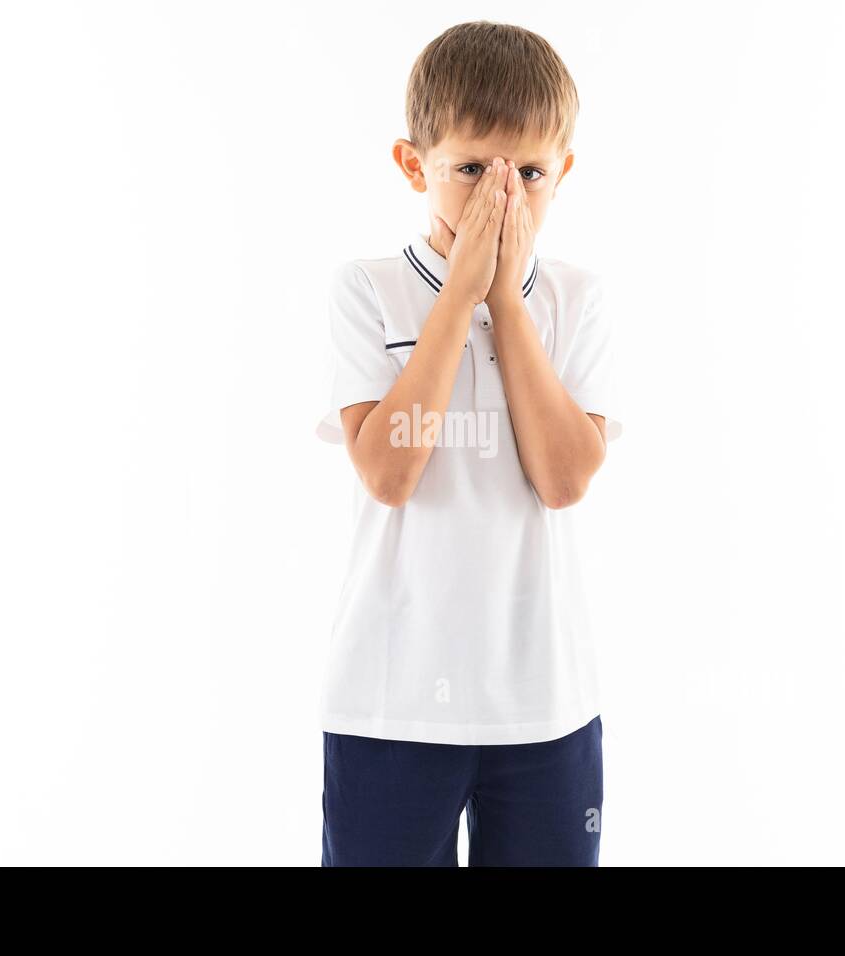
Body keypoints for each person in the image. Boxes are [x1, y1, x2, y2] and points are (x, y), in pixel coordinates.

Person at [314, 20, 624, 866]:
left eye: (528, 173)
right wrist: (457, 298)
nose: (504, 196)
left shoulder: (575, 300)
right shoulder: (366, 292)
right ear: (415, 166)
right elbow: (388, 470)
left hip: (544, 703)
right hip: (392, 701)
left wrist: (508, 305)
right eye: (472, 171)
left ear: (563, 171)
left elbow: (563, 480)